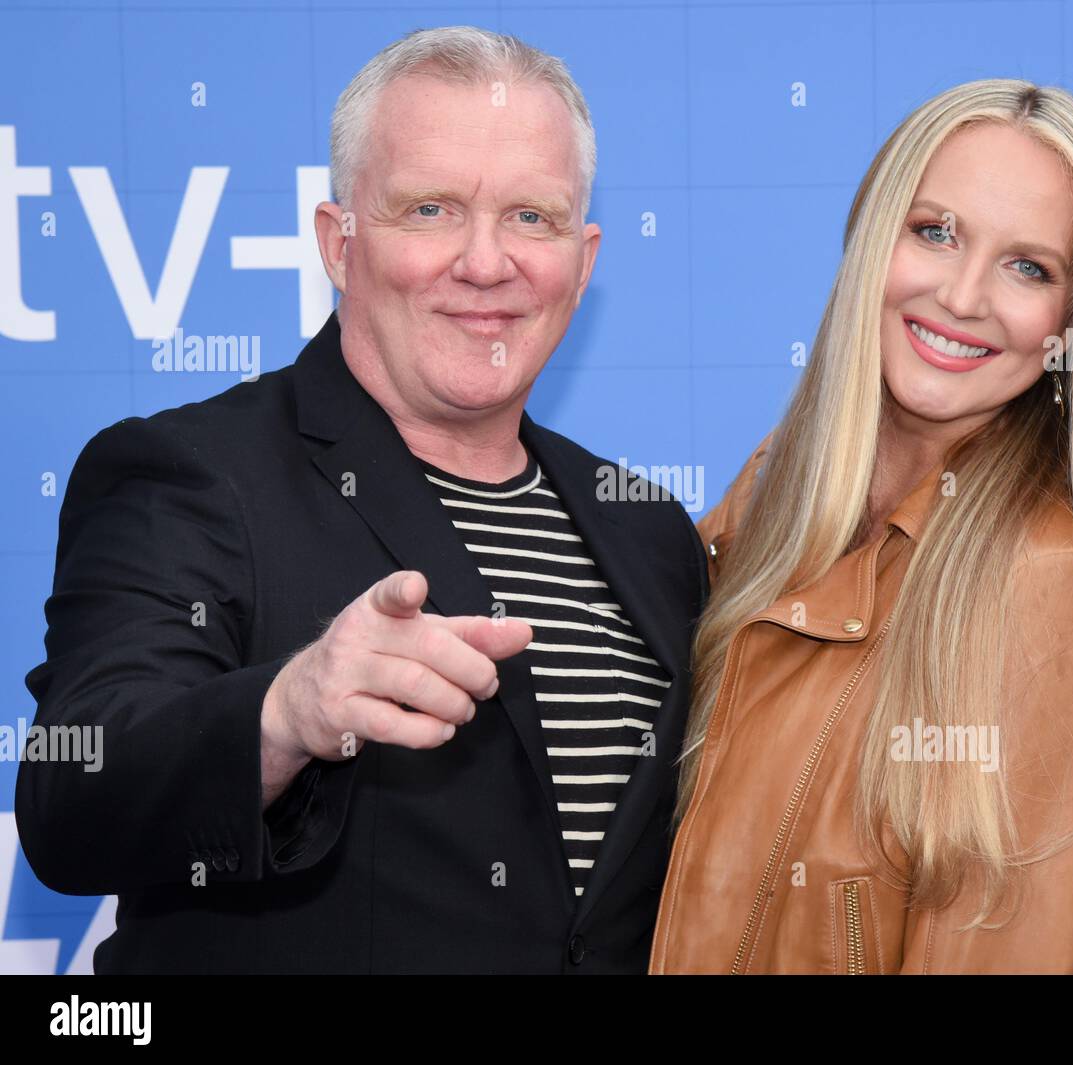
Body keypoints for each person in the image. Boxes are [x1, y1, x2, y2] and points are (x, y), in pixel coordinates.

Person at [17, 26, 706, 974]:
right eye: (430, 208)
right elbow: (70, 794)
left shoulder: (650, 529)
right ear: (339, 243)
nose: (485, 261)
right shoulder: (187, 471)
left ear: (583, 264)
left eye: (531, 218)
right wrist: (285, 712)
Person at [650, 79, 1073, 975]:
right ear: (870, 237)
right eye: (934, 231)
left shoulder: (1055, 593)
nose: (964, 296)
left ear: (1072, 325)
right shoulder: (778, 486)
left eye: (1028, 267)